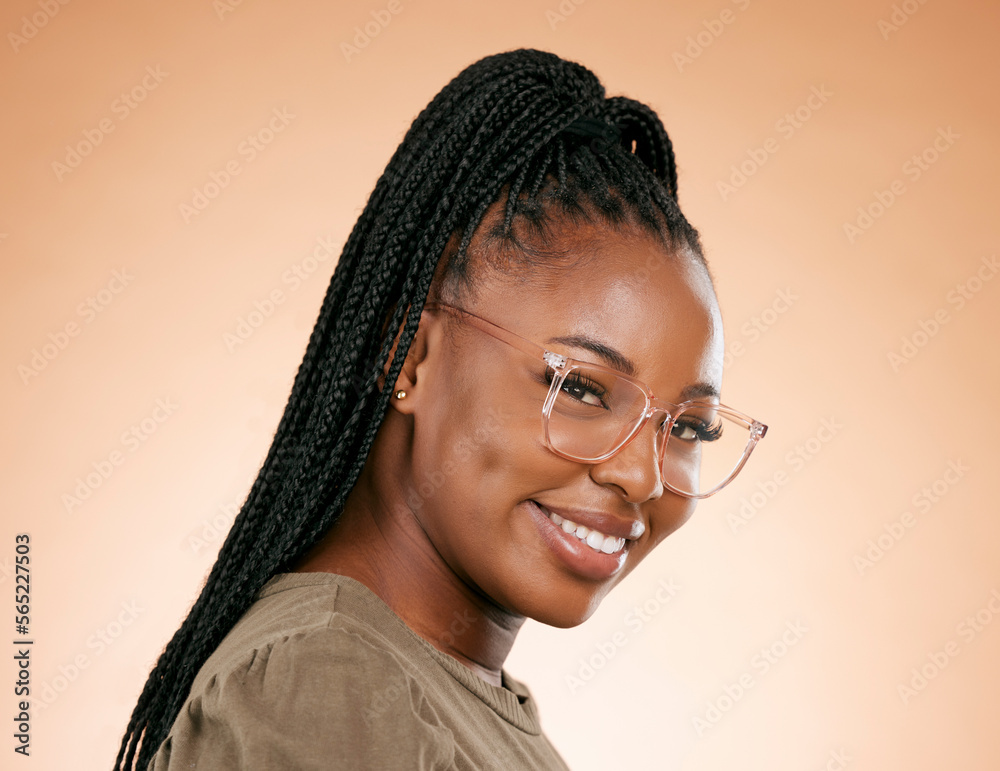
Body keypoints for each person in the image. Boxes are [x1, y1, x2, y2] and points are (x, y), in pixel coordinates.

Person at [115, 48, 768, 770]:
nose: (642, 476)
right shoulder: (325, 684)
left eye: (687, 428)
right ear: (408, 357)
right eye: (582, 387)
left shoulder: (434, 692)